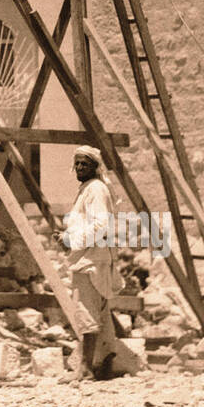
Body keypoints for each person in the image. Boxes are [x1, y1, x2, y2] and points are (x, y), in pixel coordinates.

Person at [61, 146, 141, 380]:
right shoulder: (89, 189)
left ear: (95, 167)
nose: (78, 167)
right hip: (93, 258)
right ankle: (105, 364)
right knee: (101, 313)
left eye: (84, 164)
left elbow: (100, 225)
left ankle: (85, 368)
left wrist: (70, 240)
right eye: (76, 163)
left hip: (90, 259)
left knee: (87, 313)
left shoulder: (95, 189)